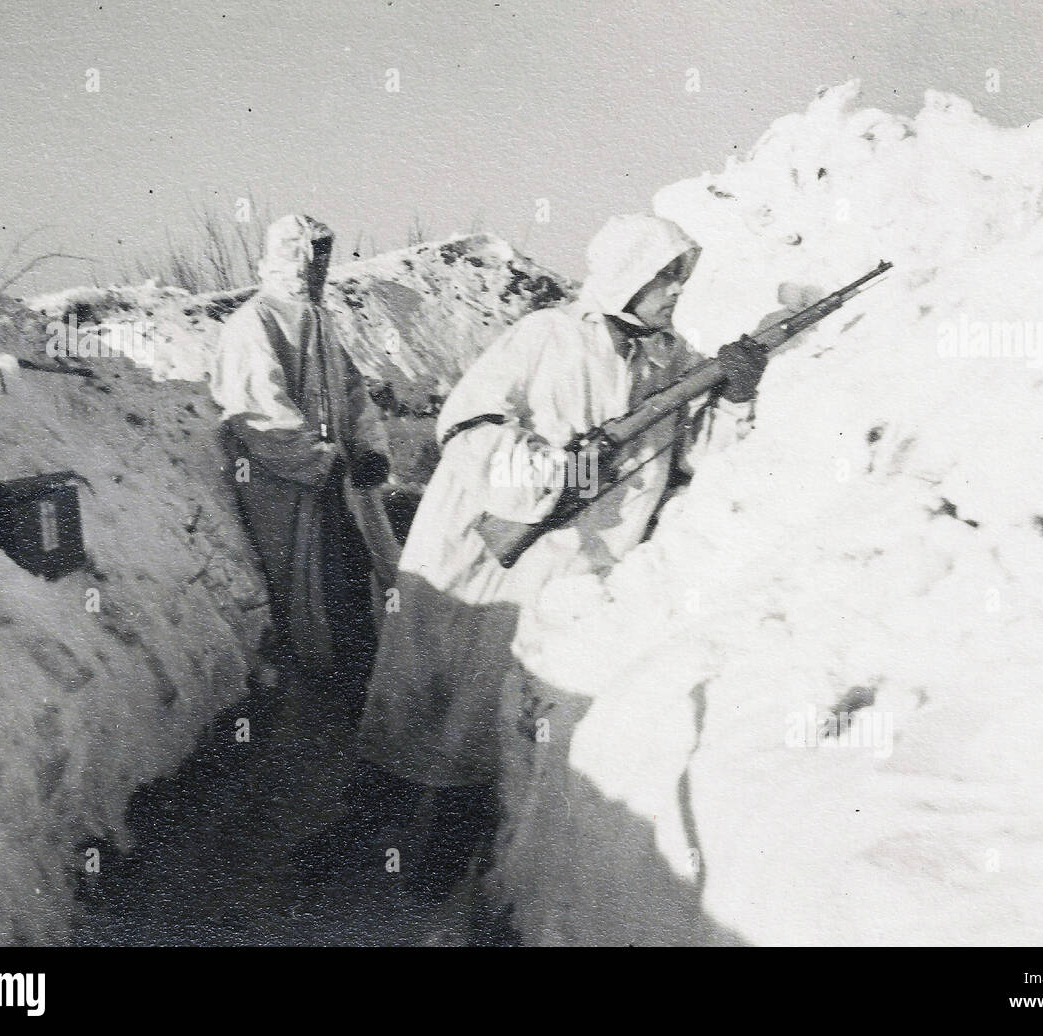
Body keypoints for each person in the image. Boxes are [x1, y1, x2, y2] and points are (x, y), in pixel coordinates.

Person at [352, 214, 770, 897]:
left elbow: (697, 456)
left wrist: (737, 395)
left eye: (679, 279)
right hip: (483, 548)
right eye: (665, 277)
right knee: (431, 697)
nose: (674, 292)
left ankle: (453, 848)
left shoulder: (671, 360)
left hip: (566, 570)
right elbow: (468, 424)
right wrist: (551, 470)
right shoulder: (547, 336)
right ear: (628, 277)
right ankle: (377, 838)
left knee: (494, 710)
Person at [211, 213, 392, 718]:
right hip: (282, 483)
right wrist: (317, 462)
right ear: (293, 255)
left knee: (352, 575)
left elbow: (352, 393)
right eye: (314, 253)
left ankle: (358, 683)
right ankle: (326, 694)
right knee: (310, 584)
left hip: (328, 477)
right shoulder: (255, 322)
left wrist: (369, 447)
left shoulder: (316, 318)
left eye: (327, 253)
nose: (321, 265)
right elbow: (257, 411)